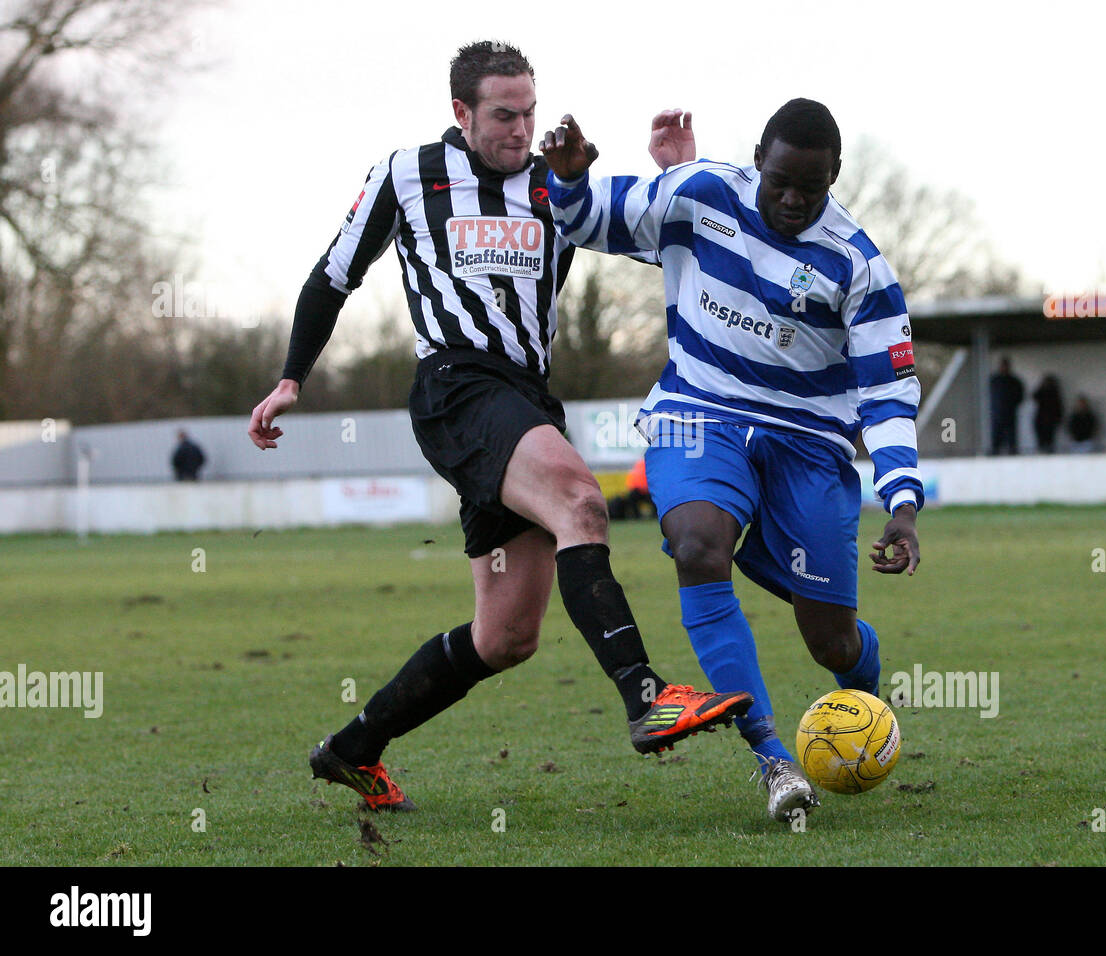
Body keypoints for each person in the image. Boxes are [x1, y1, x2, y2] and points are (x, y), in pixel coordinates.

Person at [247, 42, 750, 812]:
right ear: (462, 112)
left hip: (524, 400)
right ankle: (647, 696)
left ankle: (353, 749)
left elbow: (667, 243)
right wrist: (290, 378)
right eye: (503, 115)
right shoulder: (407, 174)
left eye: (530, 112)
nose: (521, 129)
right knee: (582, 501)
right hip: (455, 387)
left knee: (506, 636)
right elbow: (333, 275)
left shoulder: (558, 181)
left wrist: (676, 170)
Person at [542, 99, 922, 822]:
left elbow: (887, 395)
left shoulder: (861, 267)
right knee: (696, 546)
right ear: (757, 159)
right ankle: (773, 758)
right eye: (779, 180)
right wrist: (568, 183)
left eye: (809, 188)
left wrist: (901, 503)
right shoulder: (699, 191)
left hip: (810, 444)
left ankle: (866, 693)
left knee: (830, 639)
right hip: (698, 414)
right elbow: (596, 221)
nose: (790, 198)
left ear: (833, 178)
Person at [989, 357, 1024, 454]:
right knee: (995, 442)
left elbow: (1020, 397)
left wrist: (1010, 406)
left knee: (1011, 442)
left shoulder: (1014, 382)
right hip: (996, 416)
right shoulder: (994, 381)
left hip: (1010, 416)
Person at [1032, 374, 1063, 453]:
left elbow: (1058, 407)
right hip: (1041, 420)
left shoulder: (1055, 393)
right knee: (1041, 440)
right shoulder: (1041, 392)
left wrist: (1058, 419)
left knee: (1050, 440)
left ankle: (1049, 452)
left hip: (1051, 420)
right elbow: (1034, 396)